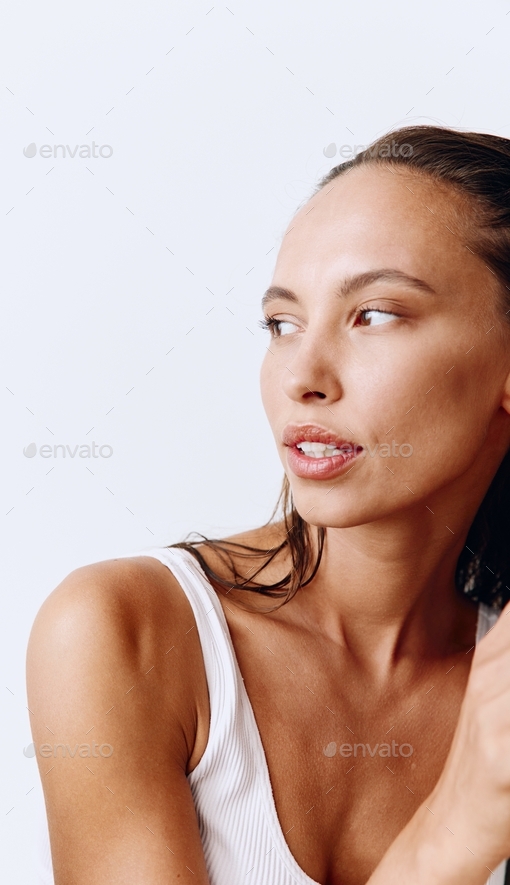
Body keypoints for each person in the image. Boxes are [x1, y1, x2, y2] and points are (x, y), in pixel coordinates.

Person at [27, 124, 510, 885]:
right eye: (282, 324)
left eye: (374, 314)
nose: (301, 376)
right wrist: (457, 825)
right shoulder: (126, 630)